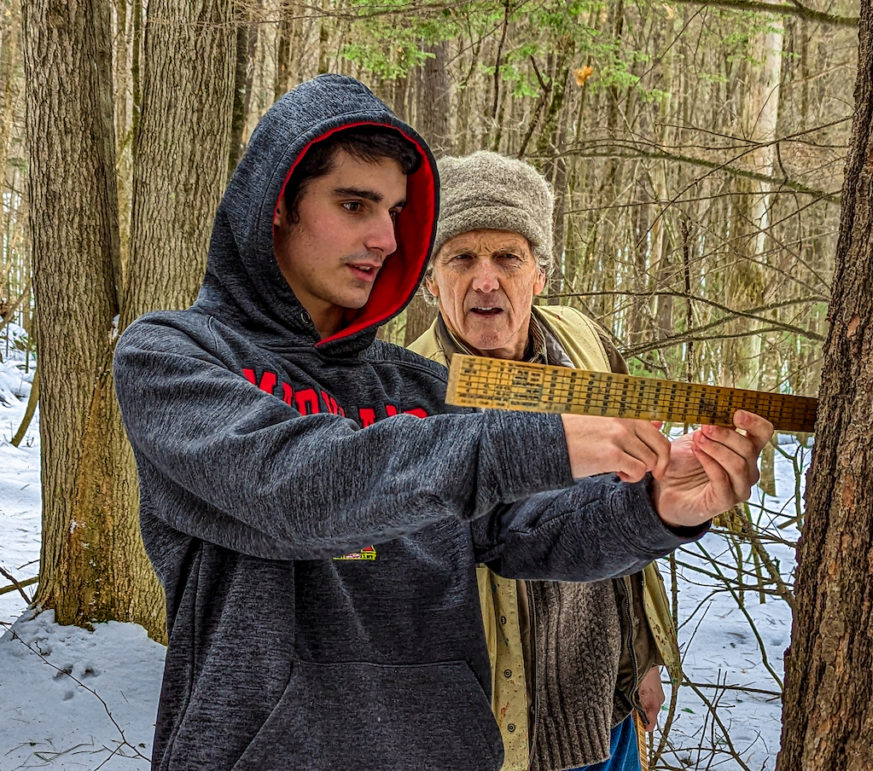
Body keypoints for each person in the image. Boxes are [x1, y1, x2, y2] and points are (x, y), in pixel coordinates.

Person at [112, 74, 773, 771]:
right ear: (277, 205)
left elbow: (527, 529)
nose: (385, 237)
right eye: (354, 203)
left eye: (394, 211)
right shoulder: (173, 358)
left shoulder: (415, 386)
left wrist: (657, 505)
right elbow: (299, 487)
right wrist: (545, 439)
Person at [409, 150, 679, 771]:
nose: (485, 280)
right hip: (494, 730)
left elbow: (627, 507)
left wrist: (643, 659)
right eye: (461, 258)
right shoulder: (409, 391)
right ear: (429, 279)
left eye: (508, 257)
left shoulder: (584, 341)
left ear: (539, 274)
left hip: (604, 708)